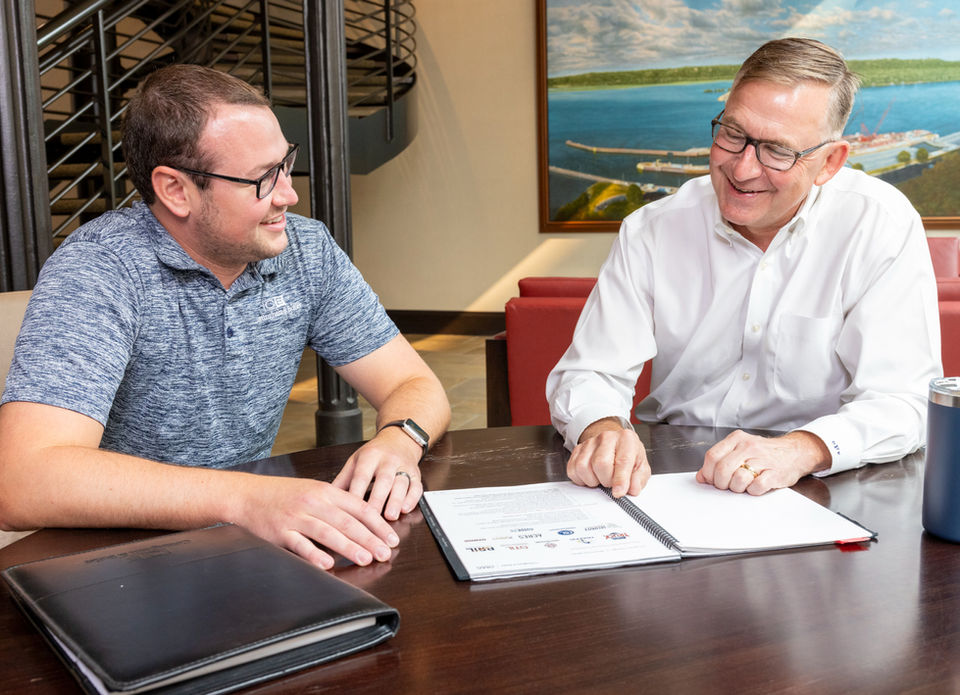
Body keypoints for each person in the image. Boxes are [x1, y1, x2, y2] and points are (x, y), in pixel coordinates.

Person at [0, 64, 450, 569]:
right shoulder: (100, 269)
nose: (288, 194)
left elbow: (414, 382)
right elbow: (22, 479)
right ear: (175, 190)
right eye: (261, 178)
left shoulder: (306, 250)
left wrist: (400, 440)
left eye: (285, 164)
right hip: (109, 564)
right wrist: (247, 499)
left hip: (242, 549)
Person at [546, 38, 941, 498]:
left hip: (817, 479)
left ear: (829, 162)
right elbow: (590, 372)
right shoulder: (652, 229)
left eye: (776, 150)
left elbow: (903, 400)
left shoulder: (879, 223)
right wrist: (602, 426)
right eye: (732, 134)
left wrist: (802, 448)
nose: (742, 168)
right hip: (669, 474)